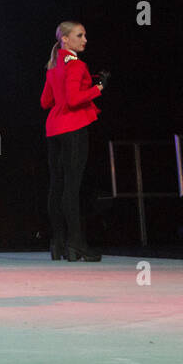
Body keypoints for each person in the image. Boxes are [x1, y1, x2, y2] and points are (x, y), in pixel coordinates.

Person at [41, 21, 107, 261]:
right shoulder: (76, 65)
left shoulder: (53, 66)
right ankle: (76, 244)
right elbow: (73, 99)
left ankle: (58, 243)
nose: (85, 39)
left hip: (54, 129)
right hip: (73, 127)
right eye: (80, 35)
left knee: (57, 186)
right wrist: (97, 88)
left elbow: (45, 102)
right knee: (71, 187)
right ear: (65, 40)